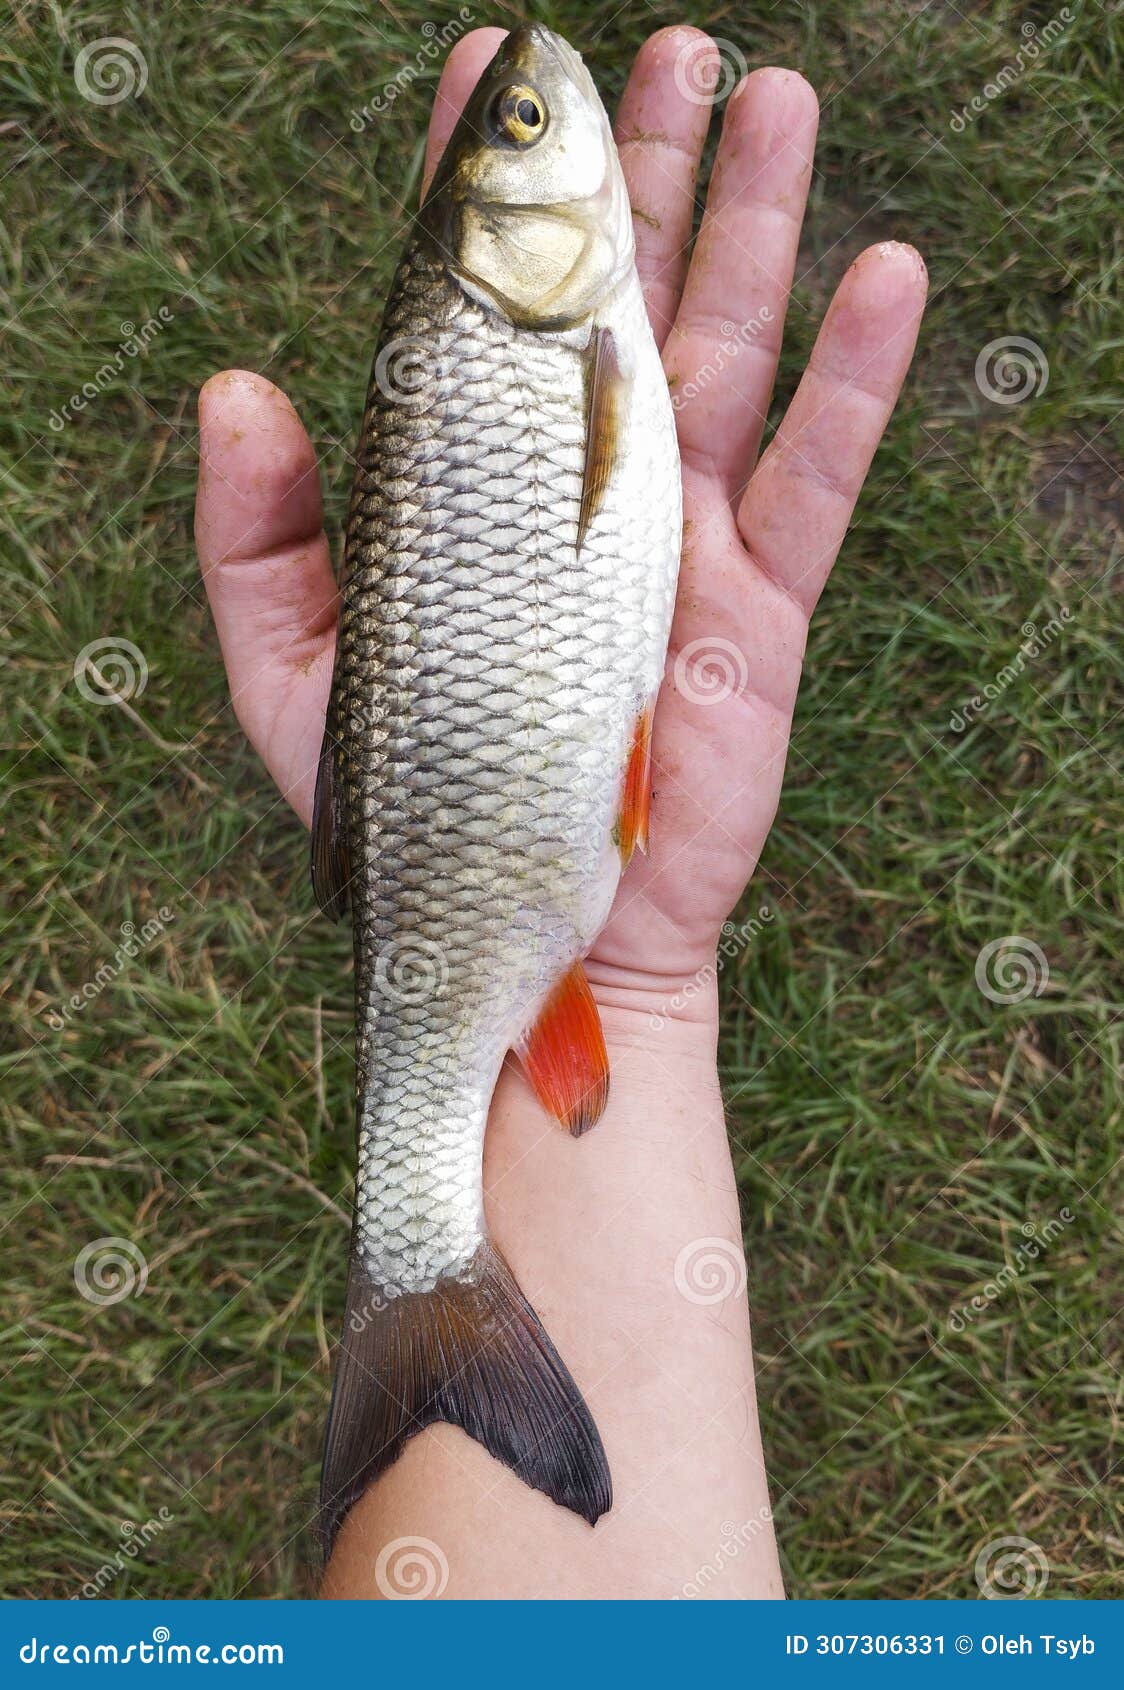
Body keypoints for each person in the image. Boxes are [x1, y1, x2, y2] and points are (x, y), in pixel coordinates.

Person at [194, 25, 926, 1599]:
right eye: (528, 121)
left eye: (514, 119)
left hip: (499, 833)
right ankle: (426, 1273)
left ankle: (429, 1278)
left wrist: (638, 986)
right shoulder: (553, 330)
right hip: (517, 848)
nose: (552, 114)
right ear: (493, 233)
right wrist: (638, 989)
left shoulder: (542, 321)